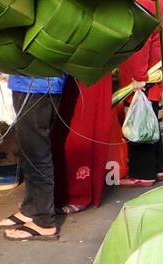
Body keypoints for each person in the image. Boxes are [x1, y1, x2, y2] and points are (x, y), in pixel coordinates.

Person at [0, 73, 64, 240]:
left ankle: (44, 221)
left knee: (37, 153)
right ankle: (31, 209)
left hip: (37, 86)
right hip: (28, 84)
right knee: (28, 150)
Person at [53, 72, 125, 214]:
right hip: (65, 73)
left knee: (80, 130)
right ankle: (57, 193)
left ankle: (78, 193)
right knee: (59, 132)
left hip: (89, 71)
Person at [118, 0, 163, 186]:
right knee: (150, 118)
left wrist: (138, 78)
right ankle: (157, 168)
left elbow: (140, 42)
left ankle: (144, 173)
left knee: (140, 122)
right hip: (151, 72)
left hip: (141, 76)